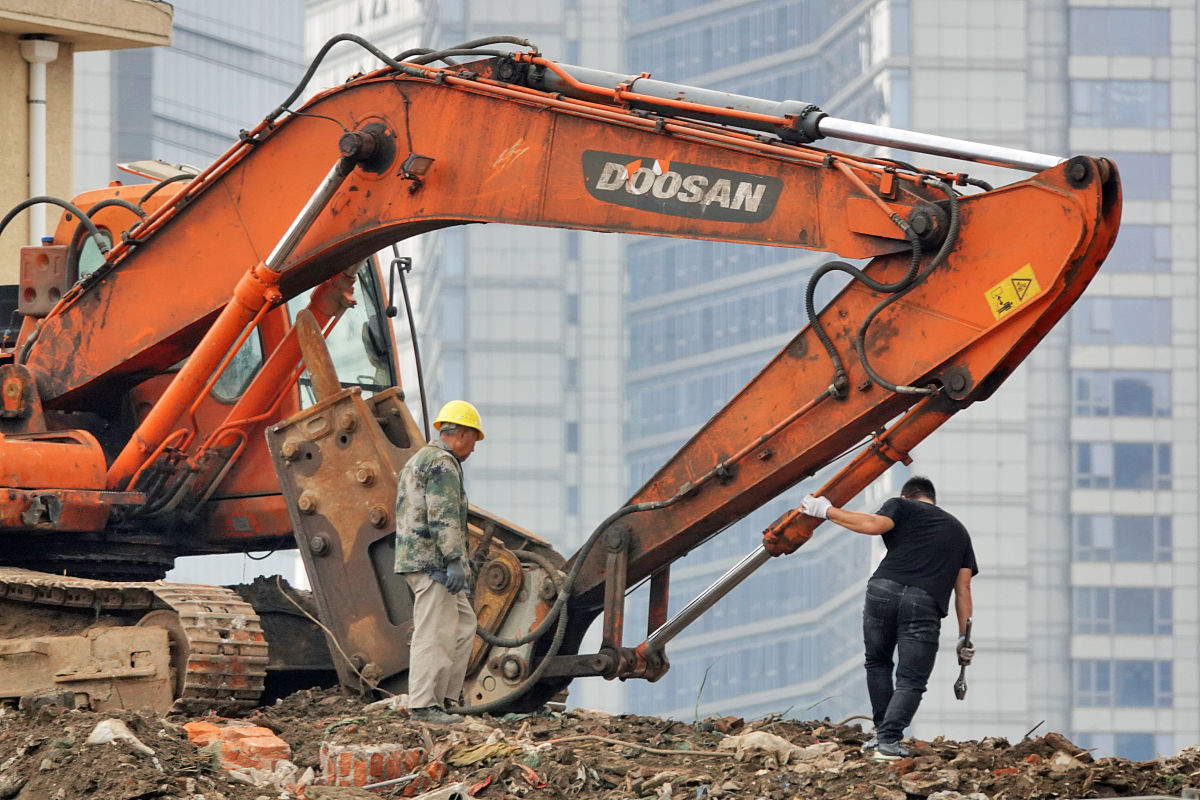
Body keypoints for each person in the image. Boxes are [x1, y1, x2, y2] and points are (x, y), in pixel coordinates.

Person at [800, 476, 977, 761]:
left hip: (883, 589)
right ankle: (888, 742)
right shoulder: (959, 532)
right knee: (911, 678)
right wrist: (962, 637)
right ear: (932, 499)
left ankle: (883, 734)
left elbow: (873, 525)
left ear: (907, 497)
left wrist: (826, 511)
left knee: (878, 661)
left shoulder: (900, 506)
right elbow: (963, 588)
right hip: (925, 602)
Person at [394, 399, 484, 725]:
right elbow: (443, 514)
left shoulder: (419, 460)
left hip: (422, 559)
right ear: (460, 433)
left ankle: (445, 699)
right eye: (474, 439)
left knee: (463, 625)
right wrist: (454, 560)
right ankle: (423, 705)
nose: (474, 448)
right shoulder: (442, 463)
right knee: (434, 632)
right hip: (433, 564)